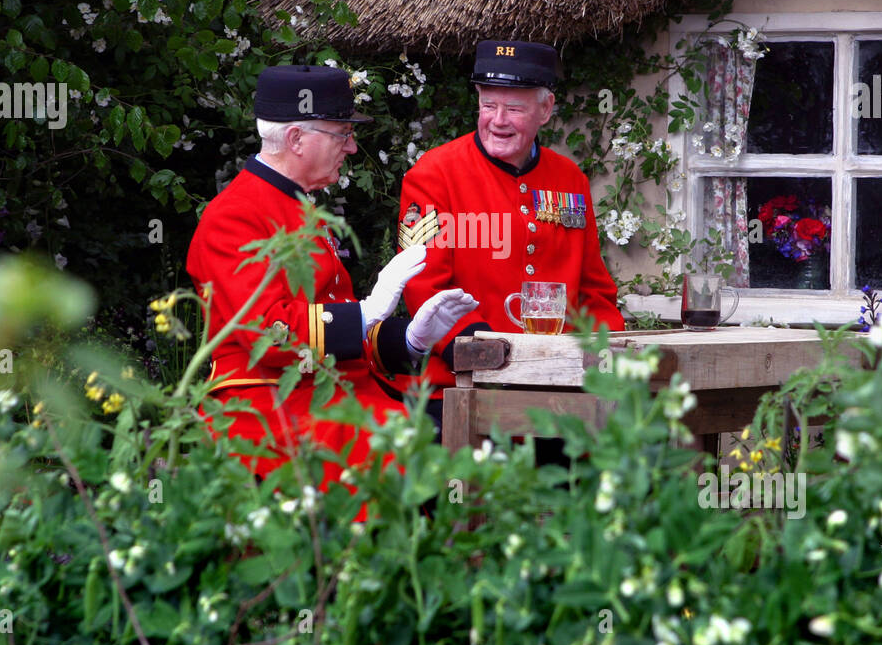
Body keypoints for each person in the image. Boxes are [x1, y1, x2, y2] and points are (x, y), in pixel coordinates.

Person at [186, 64, 477, 493]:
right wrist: (365, 312)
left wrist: (409, 339)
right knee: (430, 450)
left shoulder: (294, 205)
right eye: (342, 134)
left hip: (324, 394)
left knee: (460, 438)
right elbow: (268, 334)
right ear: (296, 139)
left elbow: (331, 333)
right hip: (267, 406)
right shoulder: (234, 215)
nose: (353, 147)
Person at [395, 40, 625, 435]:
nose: (498, 120)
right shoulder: (432, 175)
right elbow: (423, 286)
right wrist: (485, 357)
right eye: (488, 106)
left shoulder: (571, 180)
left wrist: (605, 358)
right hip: (459, 387)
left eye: (514, 109)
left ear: (546, 110)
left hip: (558, 387)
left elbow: (594, 292)